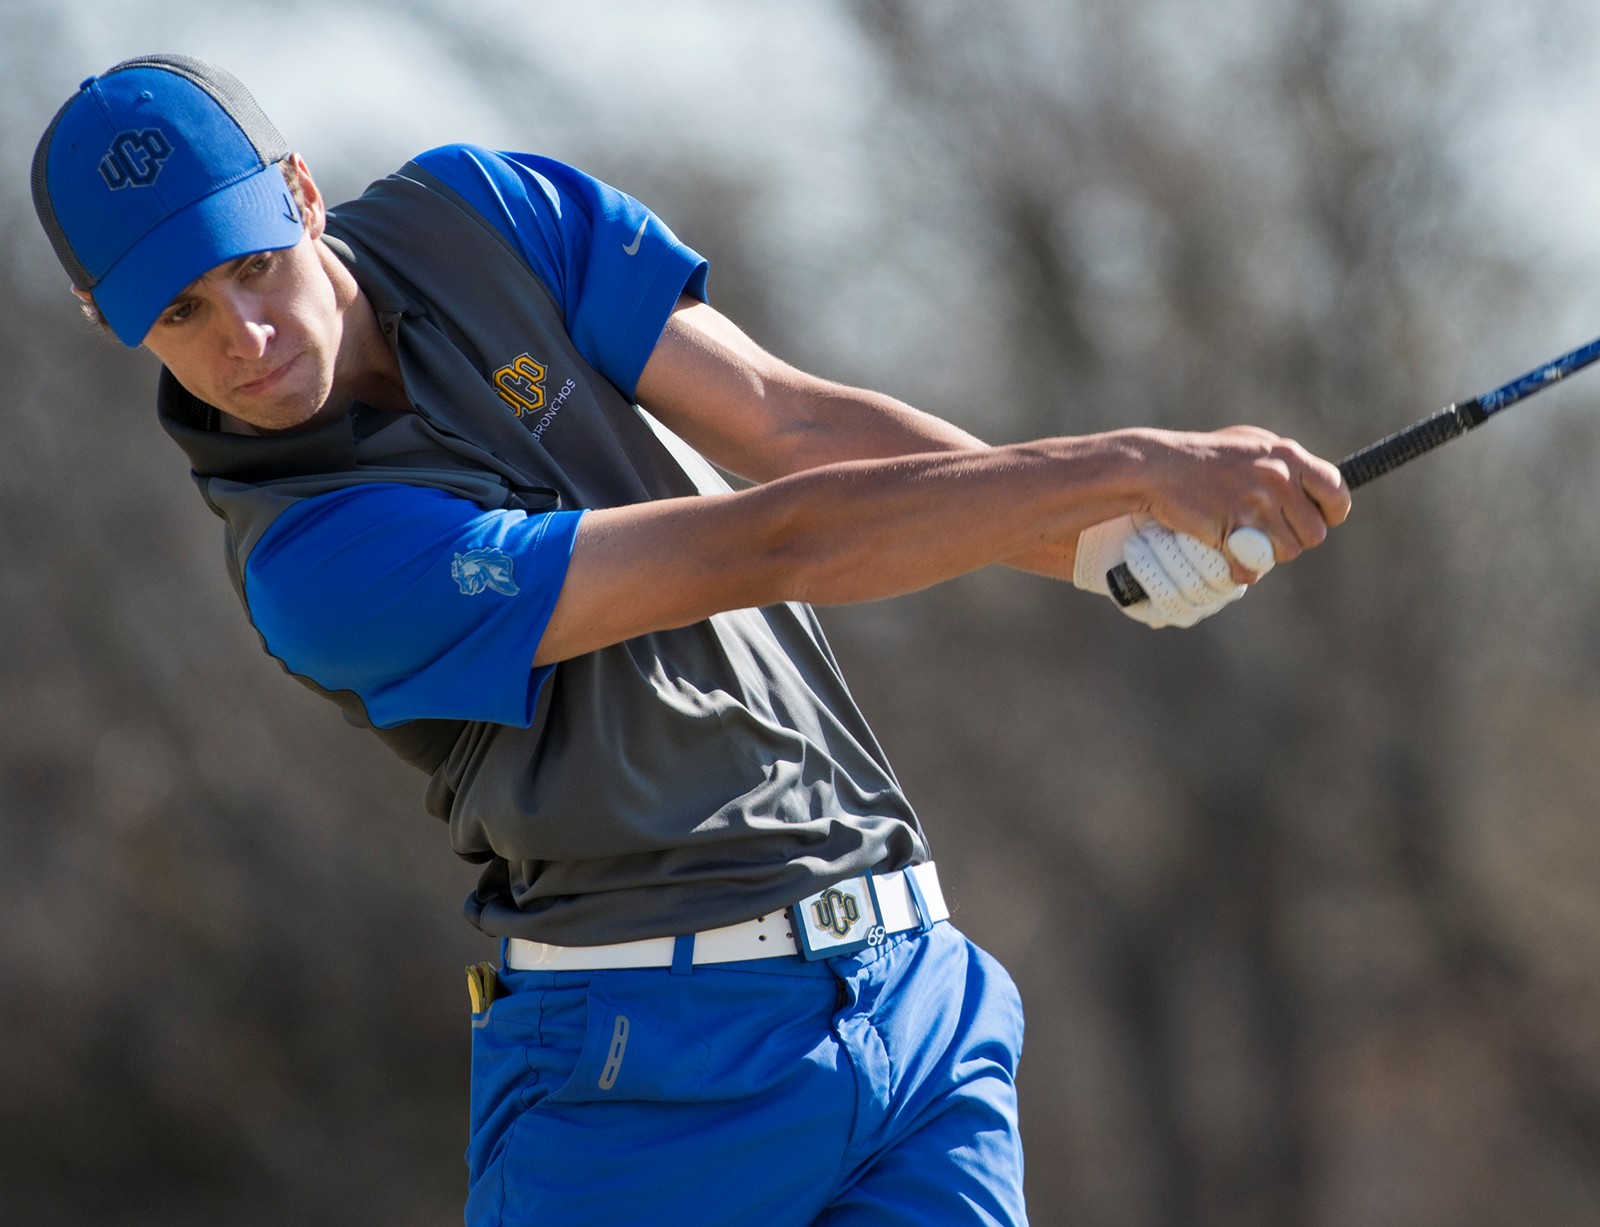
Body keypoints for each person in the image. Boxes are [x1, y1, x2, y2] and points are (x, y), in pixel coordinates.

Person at [32, 54, 1349, 1227]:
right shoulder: (312, 564)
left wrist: (1092, 543)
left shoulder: (485, 215)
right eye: (183, 313)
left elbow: (786, 422)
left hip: (914, 1003)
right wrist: (1125, 467)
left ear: (303, 194)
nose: (247, 339)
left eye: (254, 267)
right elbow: (759, 547)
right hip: (646, 1081)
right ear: (113, 322)